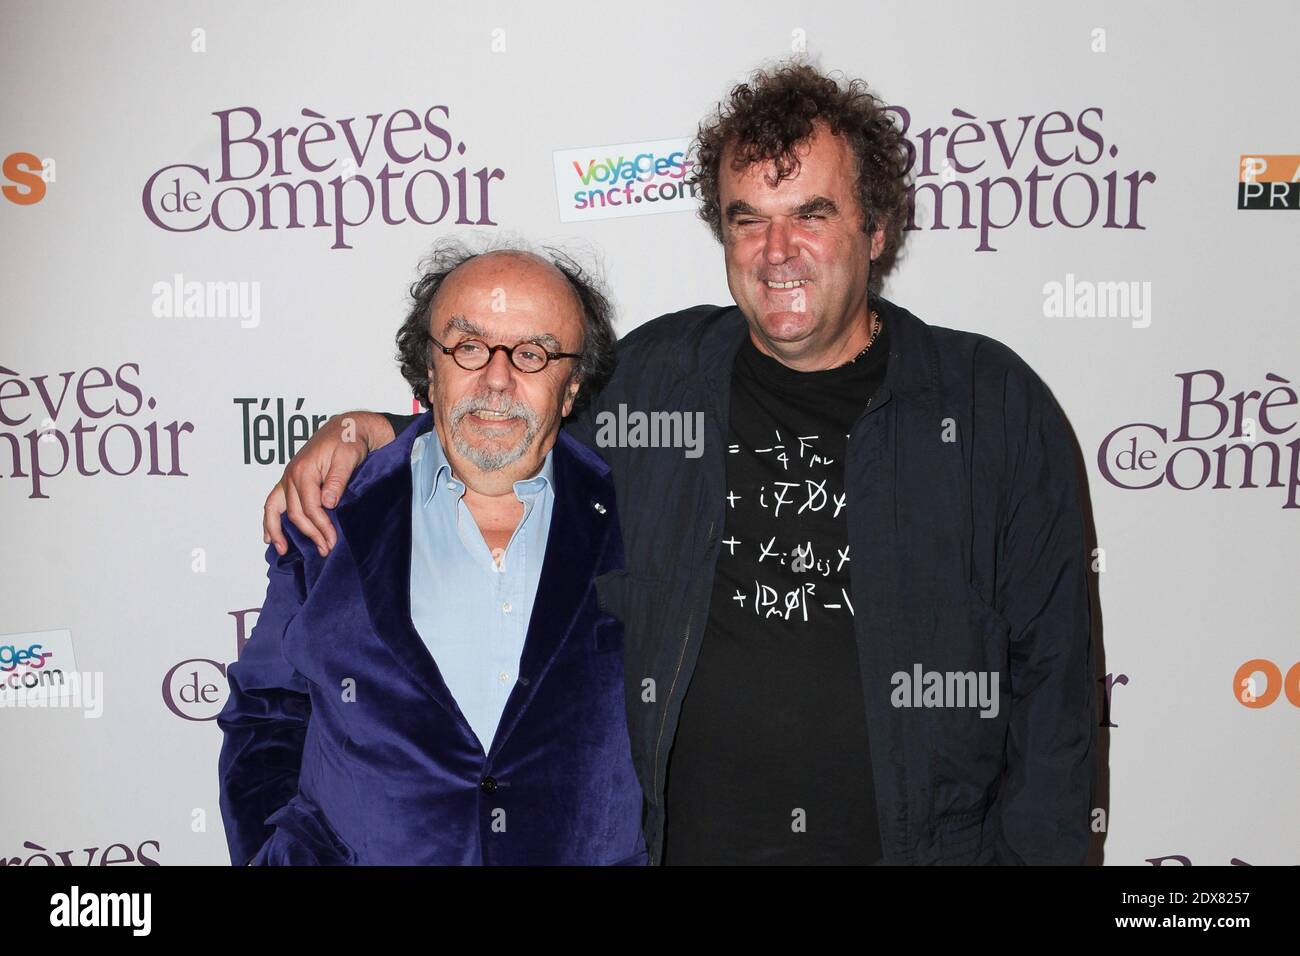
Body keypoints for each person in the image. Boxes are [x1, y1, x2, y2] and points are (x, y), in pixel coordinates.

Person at [264, 62, 1096, 865]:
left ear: (875, 229)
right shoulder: (657, 378)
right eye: (746, 219)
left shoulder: (992, 408)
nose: (777, 251)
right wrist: (370, 428)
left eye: (810, 213)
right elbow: (510, 411)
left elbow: (1057, 690)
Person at [218, 244, 647, 865]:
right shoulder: (331, 511)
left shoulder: (640, 512)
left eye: (533, 353)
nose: (497, 379)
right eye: (469, 347)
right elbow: (266, 712)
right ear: (429, 365)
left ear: (572, 385)